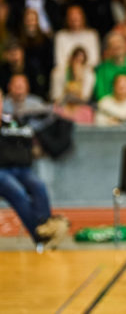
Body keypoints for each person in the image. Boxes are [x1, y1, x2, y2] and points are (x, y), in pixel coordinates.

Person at [0, 89, 68, 251]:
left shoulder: (12, 120)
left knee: (39, 186)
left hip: (20, 168)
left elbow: (26, 137)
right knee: (18, 192)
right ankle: (42, 235)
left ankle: (45, 230)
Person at [94, 32, 126, 101]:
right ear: (108, 50)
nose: (116, 45)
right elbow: (101, 94)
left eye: (119, 42)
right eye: (112, 43)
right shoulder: (102, 70)